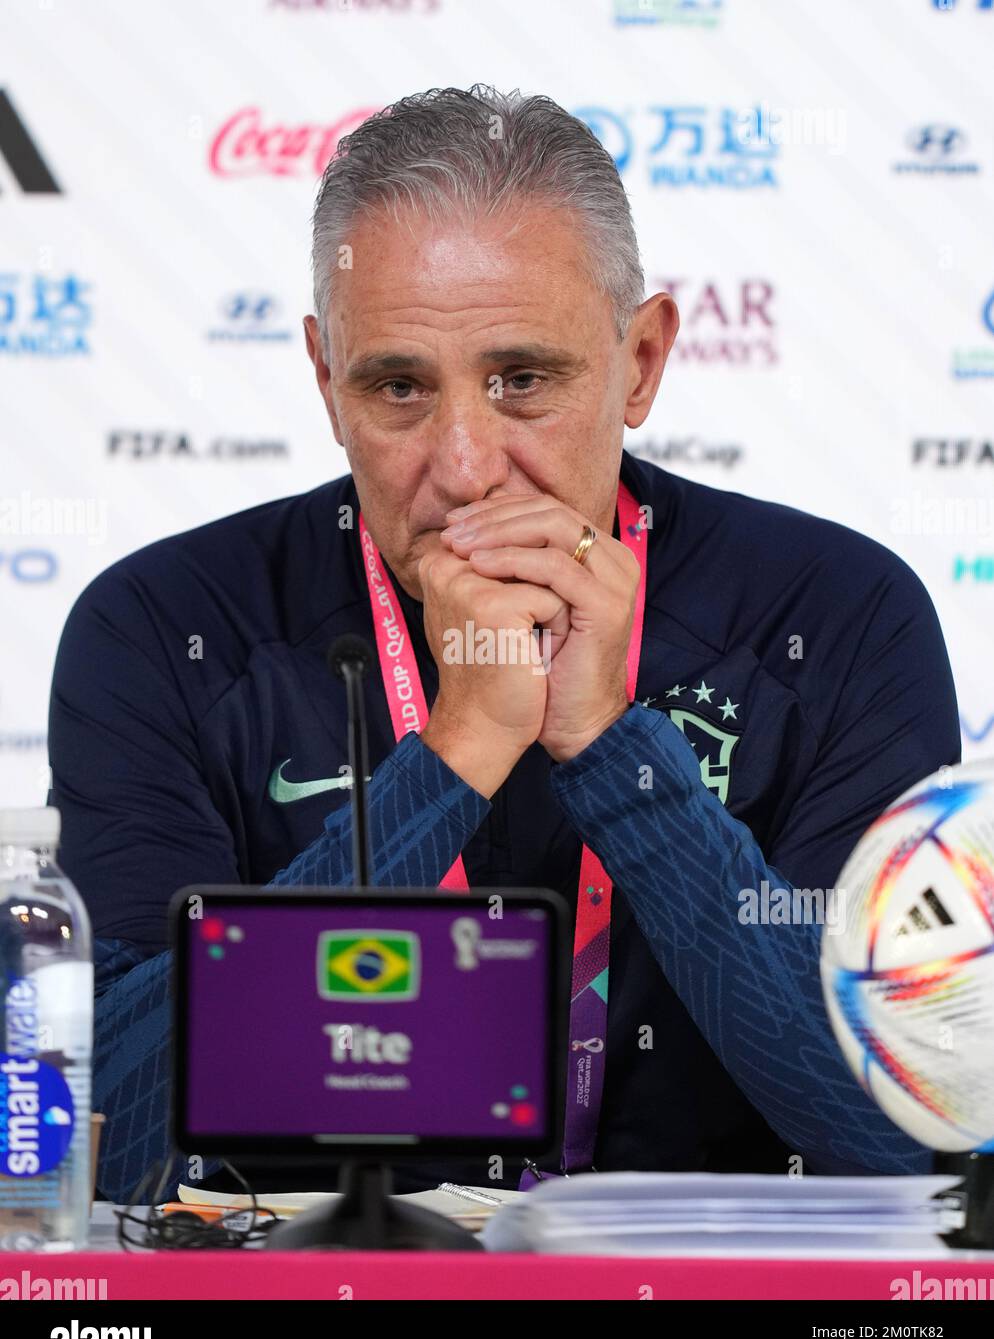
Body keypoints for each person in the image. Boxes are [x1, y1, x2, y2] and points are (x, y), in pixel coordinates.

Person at [49, 85, 959, 1204]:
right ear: (327, 382)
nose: (467, 465)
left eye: (522, 380)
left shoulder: (837, 615)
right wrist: (456, 754)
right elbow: (104, 1136)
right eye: (398, 387)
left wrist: (606, 746)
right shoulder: (163, 626)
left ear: (640, 361)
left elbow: (896, 1139)